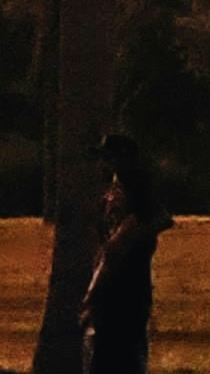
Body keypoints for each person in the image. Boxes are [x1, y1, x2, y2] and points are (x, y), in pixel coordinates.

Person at [80, 132, 164, 373]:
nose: (101, 165)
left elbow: (114, 249)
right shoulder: (115, 192)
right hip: (127, 290)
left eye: (107, 159)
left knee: (113, 357)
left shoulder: (135, 190)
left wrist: (92, 294)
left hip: (122, 290)